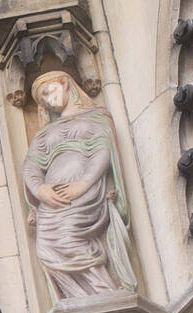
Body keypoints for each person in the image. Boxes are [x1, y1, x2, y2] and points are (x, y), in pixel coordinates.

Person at [23, 70, 136, 300]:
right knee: (46, 247)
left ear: (64, 83)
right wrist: (40, 189)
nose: (47, 101)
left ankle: (105, 293)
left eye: (48, 92)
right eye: (42, 100)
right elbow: (31, 165)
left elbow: (102, 151)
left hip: (86, 188)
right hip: (52, 197)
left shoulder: (96, 117)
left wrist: (83, 185)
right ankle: (79, 300)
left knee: (69, 238)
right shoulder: (44, 134)